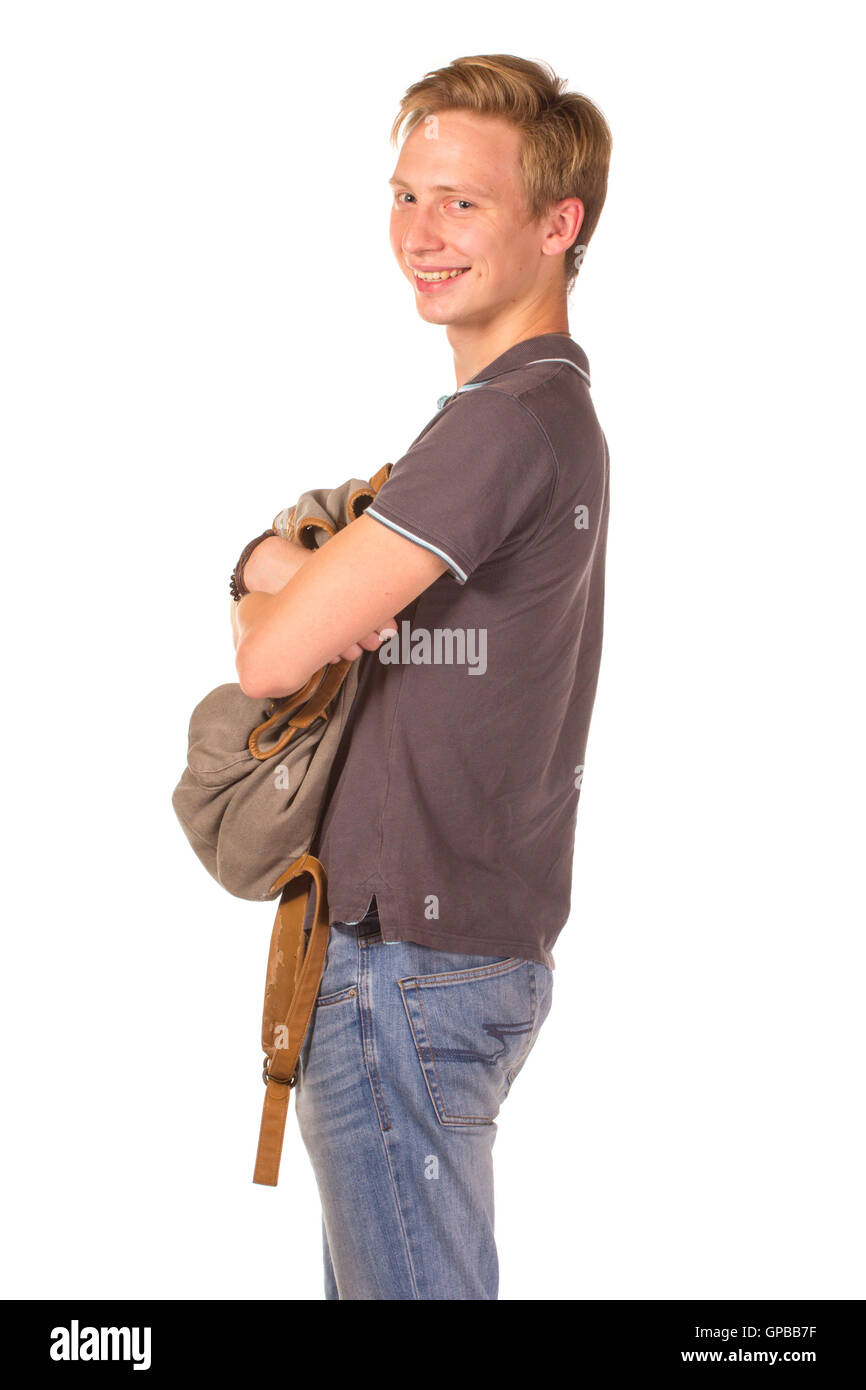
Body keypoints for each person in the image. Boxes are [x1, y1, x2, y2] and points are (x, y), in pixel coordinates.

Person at [231, 53, 612, 1300]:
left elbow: (271, 653)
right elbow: (360, 625)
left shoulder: (500, 423)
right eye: (405, 195)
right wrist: (314, 578)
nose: (419, 234)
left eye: (460, 202)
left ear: (556, 225)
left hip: (405, 967)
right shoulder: (542, 416)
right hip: (445, 954)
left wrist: (255, 561)